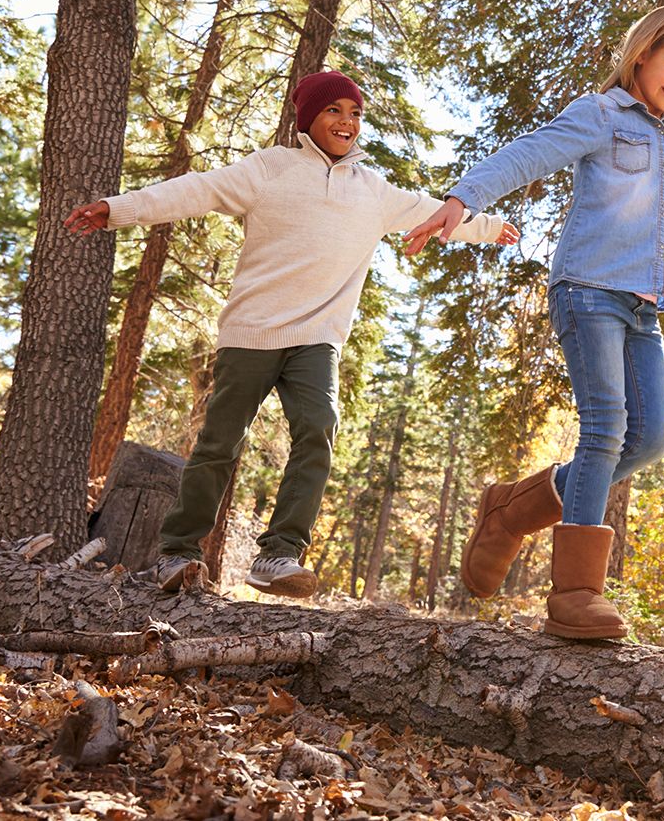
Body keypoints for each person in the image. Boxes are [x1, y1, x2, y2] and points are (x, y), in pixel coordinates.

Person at [405, 4, 664, 640]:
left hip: (643, 308)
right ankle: (576, 593)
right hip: (588, 292)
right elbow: (528, 155)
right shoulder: (601, 114)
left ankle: (511, 509)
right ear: (642, 54)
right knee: (606, 427)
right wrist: (462, 199)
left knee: (652, 440)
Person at [65, 70, 516, 597]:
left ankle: (278, 554)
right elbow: (197, 190)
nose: (346, 122)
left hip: (317, 336)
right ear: (309, 118)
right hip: (252, 331)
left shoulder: (373, 191)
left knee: (318, 427)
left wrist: (486, 227)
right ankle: (177, 553)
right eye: (334, 111)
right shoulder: (270, 169)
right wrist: (117, 209)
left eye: (355, 114)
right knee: (218, 444)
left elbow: (434, 212)